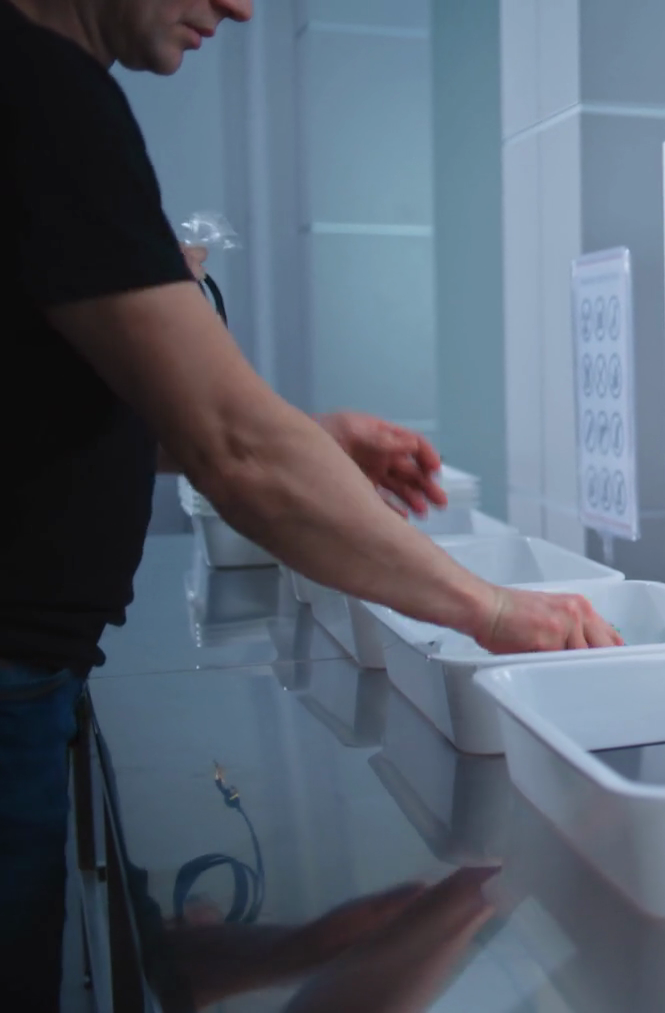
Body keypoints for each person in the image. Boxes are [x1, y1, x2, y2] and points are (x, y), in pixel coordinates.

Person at [0, 1, 618, 1006]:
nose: (239, 6)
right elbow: (234, 445)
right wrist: (495, 610)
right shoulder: (43, 94)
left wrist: (314, 437)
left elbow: (81, 400)